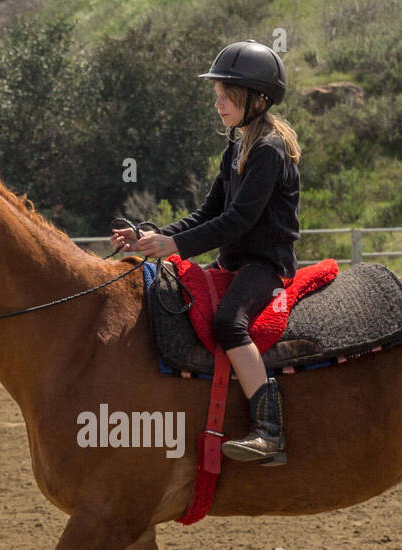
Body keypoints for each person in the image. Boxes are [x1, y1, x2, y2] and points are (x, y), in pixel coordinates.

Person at [110, 39, 301, 466]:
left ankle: (270, 431)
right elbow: (210, 211)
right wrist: (152, 234)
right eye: (216, 95)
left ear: (257, 99)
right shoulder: (236, 146)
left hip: (266, 266)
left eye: (227, 95)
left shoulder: (269, 151)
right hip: (233, 261)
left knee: (227, 324)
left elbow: (239, 222)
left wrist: (174, 246)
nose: (218, 103)